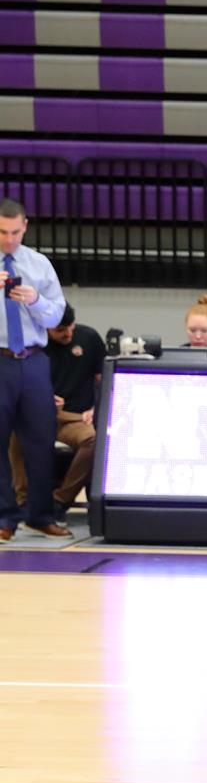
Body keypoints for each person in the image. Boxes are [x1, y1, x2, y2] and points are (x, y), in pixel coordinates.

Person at [0, 198, 70, 541]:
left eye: (15, 231)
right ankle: (4, 518)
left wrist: (35, 301)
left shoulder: (39, 264)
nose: (9, 239)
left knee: (41, 440)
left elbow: (58, 316)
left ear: (25, 226)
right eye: (2, 232)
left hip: (33, 358)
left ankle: (40, 514)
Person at [7, 303, 104, 520]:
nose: (67, 334)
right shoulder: (31, 345)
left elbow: (103, 380)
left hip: (76, 418)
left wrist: (96, 408)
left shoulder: (89, 338)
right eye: (60, 330)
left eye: (70, 327)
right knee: (15, 433)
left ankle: (61, 500)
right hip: (39, 414)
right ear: (46, 328)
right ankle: (23, 500)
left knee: (93, 440)